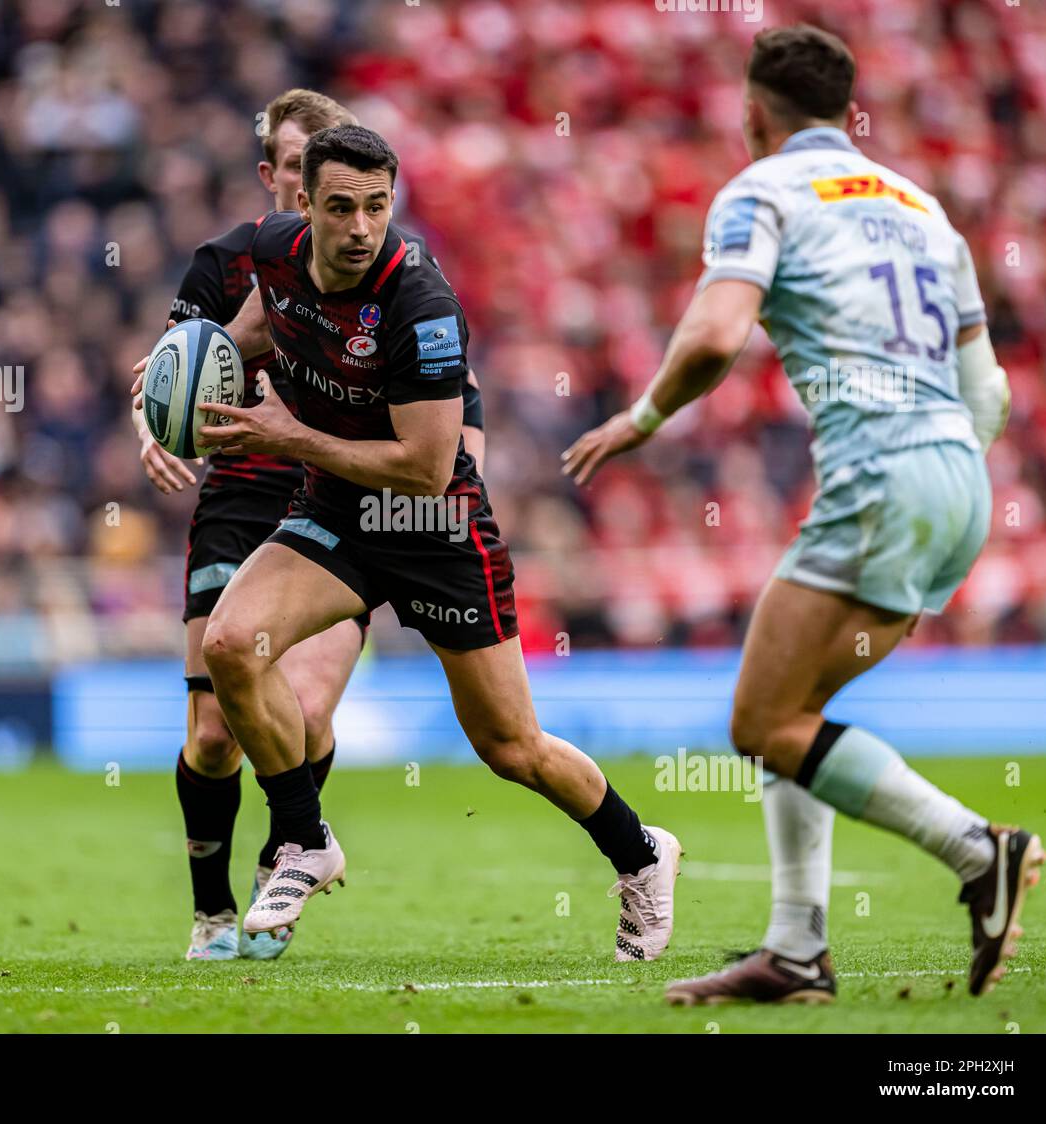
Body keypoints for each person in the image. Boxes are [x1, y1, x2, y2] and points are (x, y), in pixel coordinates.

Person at [562, 25, 1045, 1002]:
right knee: (796, 711)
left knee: (759, 720)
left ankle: (976, 849)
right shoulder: (924, 209)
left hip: (878, 477)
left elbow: (714, 333)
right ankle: (795, 950)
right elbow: (987, 389)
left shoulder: (762, 192)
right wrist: (941, 474)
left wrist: (643, 413)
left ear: (752, 111)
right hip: (956, 480)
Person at [163, 123, 682, 961]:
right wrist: (186, 369)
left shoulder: (422, 306)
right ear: (303, 204)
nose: (362, 226)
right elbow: (253, 330)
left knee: (512, 748)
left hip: (433, 528)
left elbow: (426, 468)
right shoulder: (270, 250)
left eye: (377, 206)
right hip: (336, 510)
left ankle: (641, 852)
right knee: (229, 641)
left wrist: (285, 437)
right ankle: (304, 840)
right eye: (342, 206)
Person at [132, 90, 486, 961]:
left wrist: (452, 485)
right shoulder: (227, 261)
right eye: (298, 169)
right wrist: (152, 426)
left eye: (335, 179)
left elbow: (453, 413)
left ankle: (285, 856)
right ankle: (212, 911)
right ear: (276, 175)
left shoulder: (399, 280)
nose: (313, 189)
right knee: (214, 735)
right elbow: (168, 376)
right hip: (241, 498)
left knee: (310, 713)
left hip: (337, 500)